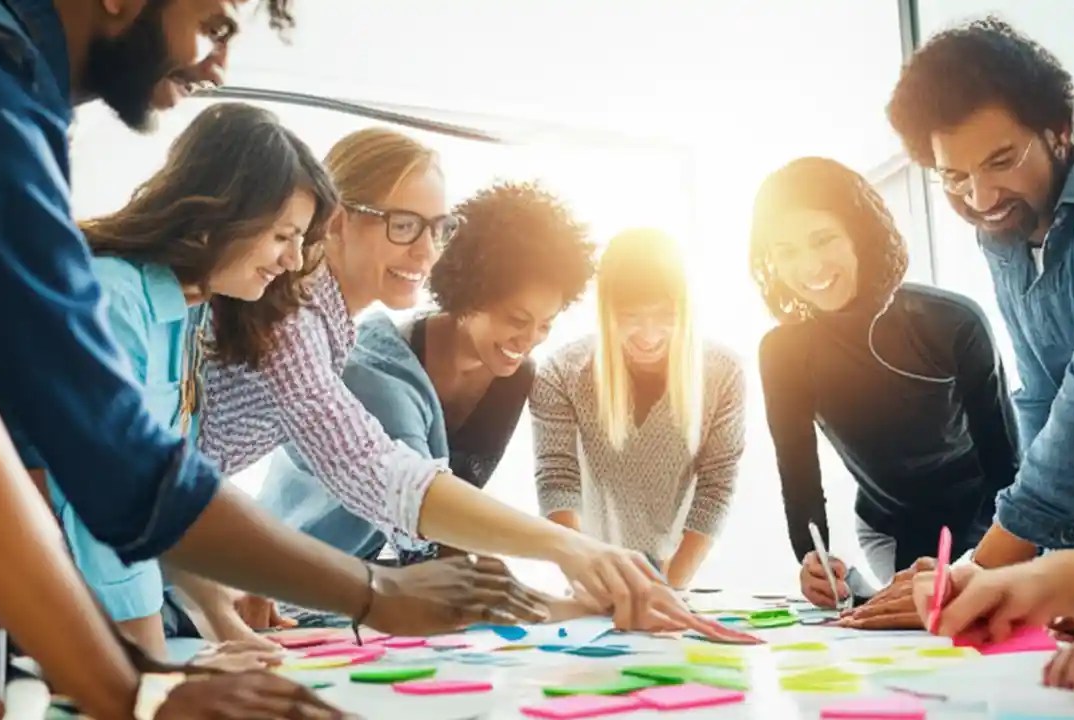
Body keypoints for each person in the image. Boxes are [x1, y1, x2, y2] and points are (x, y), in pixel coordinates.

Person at [0, 0, 549, 701]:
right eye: (213, 23)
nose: (294, 260)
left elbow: (151, 482)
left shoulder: (191, 313)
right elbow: (115, 485)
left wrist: (206, 626)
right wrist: (147, 677)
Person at [201, 130, 718, 633]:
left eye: (438, 228)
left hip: (231, 577)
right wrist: (572, 549)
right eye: (403, 225)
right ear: (336, 220)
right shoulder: (306, 327)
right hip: (278, 594)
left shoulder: (332, 323)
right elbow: (385, 478)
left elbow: (182, 476)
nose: (427, 251)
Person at [845, 17, 1074, 629]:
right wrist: (1026, 564)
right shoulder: (1004, 228)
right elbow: (1043, 395)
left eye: (1000, 161)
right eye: (955, 177)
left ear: (1056, 132)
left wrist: (989, 568)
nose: (982, 196)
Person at [67, 101, 339, 655]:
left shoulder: (190, 311)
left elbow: (165, 496)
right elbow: (106, 505)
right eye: (283, 235)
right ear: (224, 214)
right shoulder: (115, 298)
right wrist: (151, 664)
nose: (291, 261)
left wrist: (223, 623)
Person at [257, 180, 595, 566]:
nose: (529, 339)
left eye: (545, 325)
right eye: (516, 319)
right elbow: (419, 512)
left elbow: (453, 526)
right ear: (470, 295)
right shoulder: (377, 370)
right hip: (287, 568)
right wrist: (570, 554)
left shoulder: (513, 380)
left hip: (380, 576)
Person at [749, 157, 1018, 610]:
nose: (809, 265)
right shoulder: (782, 352)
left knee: (968, 618)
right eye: (787, 251)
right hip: (888, 527)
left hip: (984, 516)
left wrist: (983, 559)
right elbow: (799, 477)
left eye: (823, 239)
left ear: (859, 235)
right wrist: (813, 560)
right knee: (903, 631)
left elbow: (1006, 465)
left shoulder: (952, 322)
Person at [532, 228, 745, 590]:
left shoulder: (723, 373)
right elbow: (557, 479)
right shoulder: (562, 373)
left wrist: (669, 588)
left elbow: (717, 486)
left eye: (665, 315)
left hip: (684, 576)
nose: (649, 335)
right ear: (605, 311)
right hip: (593, 575)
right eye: (630, 315)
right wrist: (589, 576)